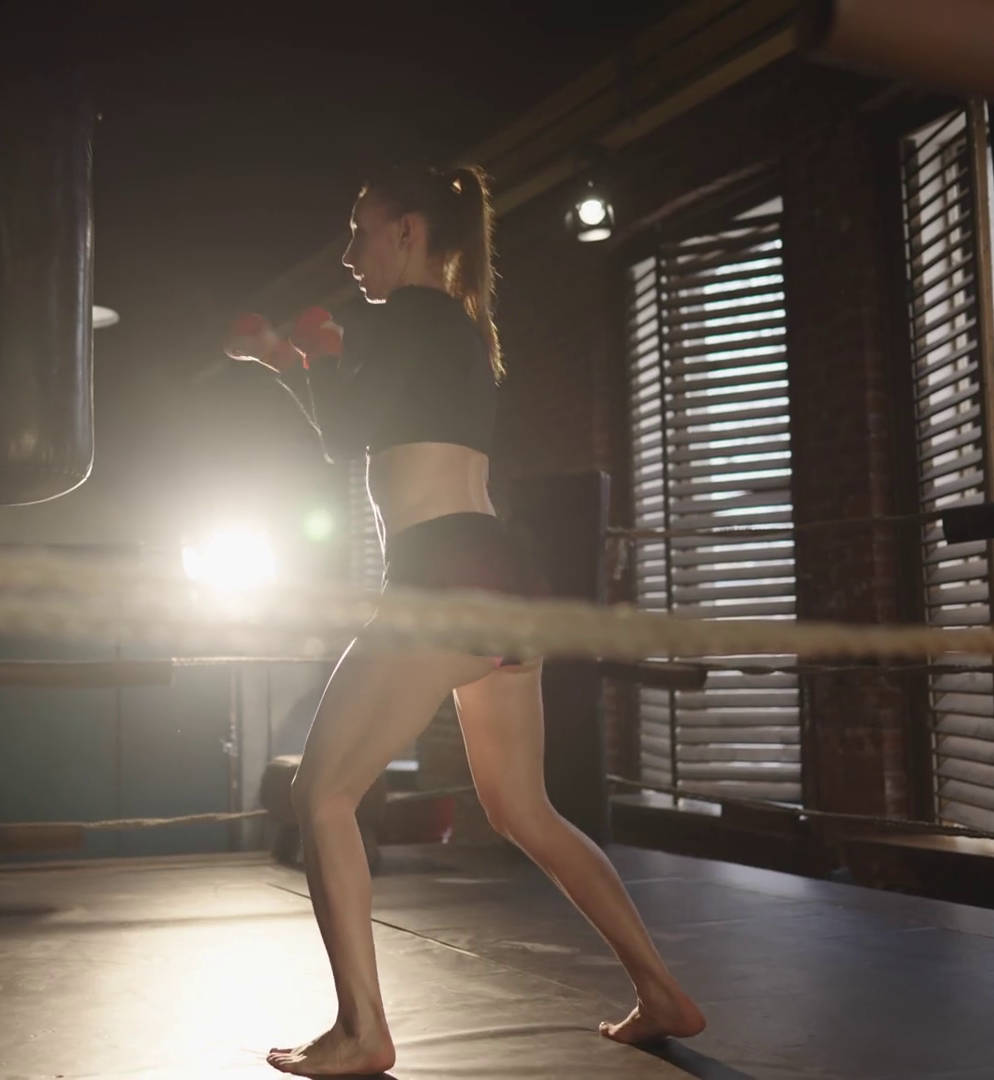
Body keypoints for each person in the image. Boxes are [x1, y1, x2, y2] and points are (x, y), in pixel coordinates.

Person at [225, 163, 705, 1076]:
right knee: (524, 807)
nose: (350, 251)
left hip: (444, 574)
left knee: (320, 795)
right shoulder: (453, 326)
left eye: (362, 229)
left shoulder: (410, 315)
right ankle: (660, 992)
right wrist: (297, 361)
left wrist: (305, 359)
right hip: (502, 572)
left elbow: (341, 431)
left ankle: (363, 1029)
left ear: (408, 230)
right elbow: (361, 415)